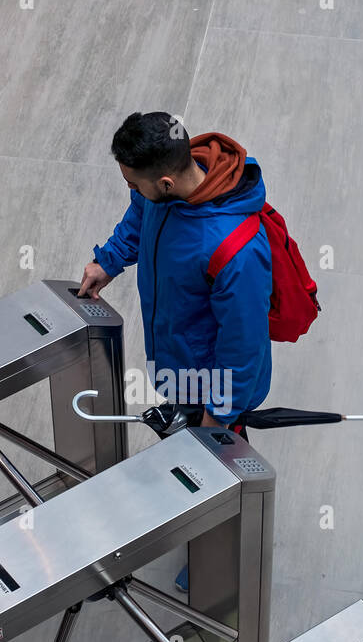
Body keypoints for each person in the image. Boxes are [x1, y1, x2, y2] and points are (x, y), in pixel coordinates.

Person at [79, 111, 273, 591]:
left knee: (220, 468)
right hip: (176, 361)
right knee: (187, 448)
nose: (133, 190)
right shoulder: (165, 193)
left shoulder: (236, 250)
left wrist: (218, 418)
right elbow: (141, 216)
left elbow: (244, 349)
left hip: (212, 386)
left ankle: (222, 555)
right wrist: (109, 261)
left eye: (134, 183)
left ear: (165, 181)